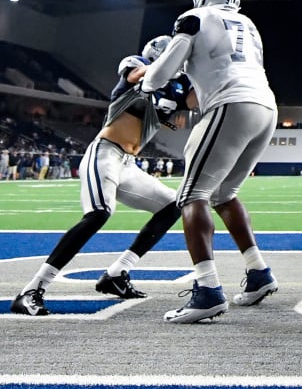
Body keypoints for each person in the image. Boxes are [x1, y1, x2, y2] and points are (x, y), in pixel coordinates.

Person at [10, 36, 188, 316]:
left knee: (172, 205)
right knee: (98, 213)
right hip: (105, 152)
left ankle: (117, 274)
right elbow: (139, 75)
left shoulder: (173, 87)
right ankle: (31, 290)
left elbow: (194, 102)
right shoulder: (137, 65)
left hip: (128, 162)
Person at [142, 0, 279, 323]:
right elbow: (210, 74)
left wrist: (149, 81)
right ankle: (258, 272)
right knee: (224, 194)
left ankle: (207, 292)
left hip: (232, 104)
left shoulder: (194, 17)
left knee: (190, 196)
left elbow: (161, 74)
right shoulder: (248, 24)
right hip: (265, 107)